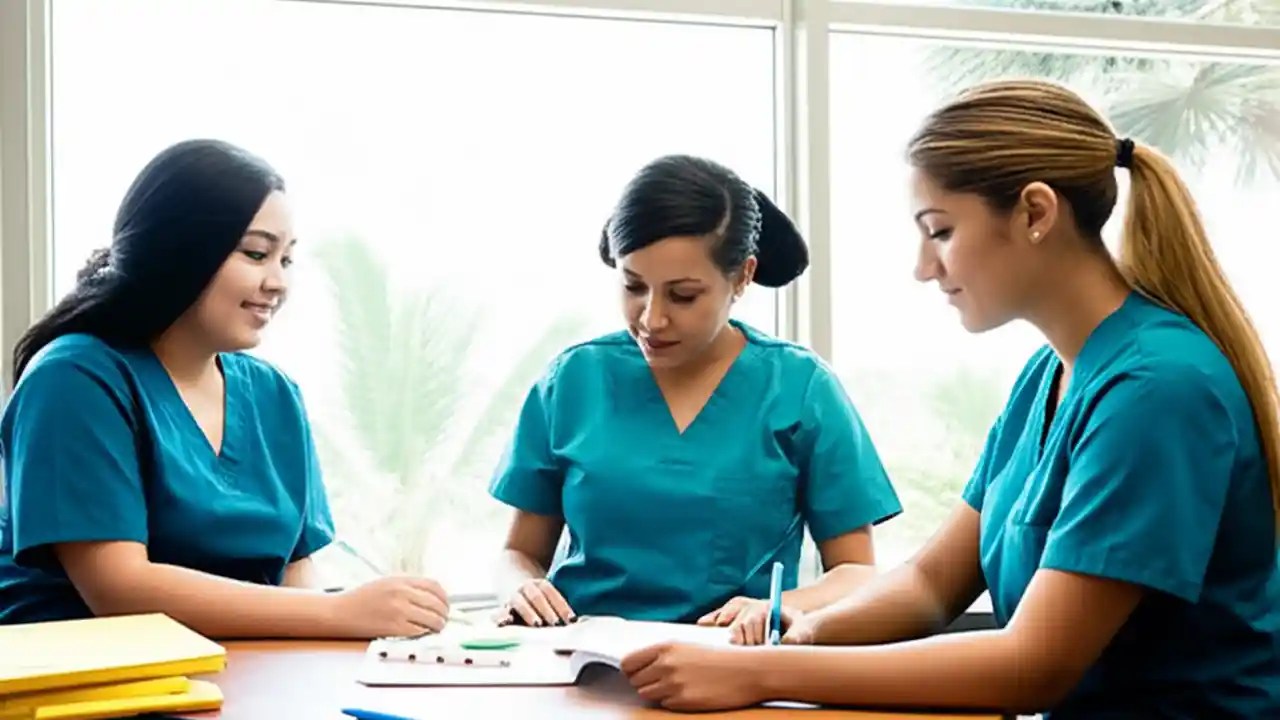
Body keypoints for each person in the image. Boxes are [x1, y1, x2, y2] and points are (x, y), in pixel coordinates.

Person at [615, 80, 1280, 717]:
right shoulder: (1048, 378)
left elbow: (1033, 665)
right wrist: (797, 635)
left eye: (939, 232)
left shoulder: (1157, 391)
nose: (923, 266)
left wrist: (758, 674)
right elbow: (930, 585)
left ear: (1035, 213)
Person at [0, 139, 451, 638]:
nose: (277, 282)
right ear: (179, 250)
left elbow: (294, 573)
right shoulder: (74, 379)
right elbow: (117, 589)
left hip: (241, 680)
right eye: (257, 254)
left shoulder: (275, 395)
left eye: (287, 260)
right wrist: (340, 613)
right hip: (92, 692)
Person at [489, 154, 901, 633]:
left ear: (743, 276)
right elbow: (519, 553)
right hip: (578, 662)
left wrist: (778, 606)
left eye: (683, 295)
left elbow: (856, 574)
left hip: (730, 666)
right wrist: (520, 586)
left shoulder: (800, 388)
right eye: (633, 286)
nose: (651, 318)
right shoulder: (572, 381)